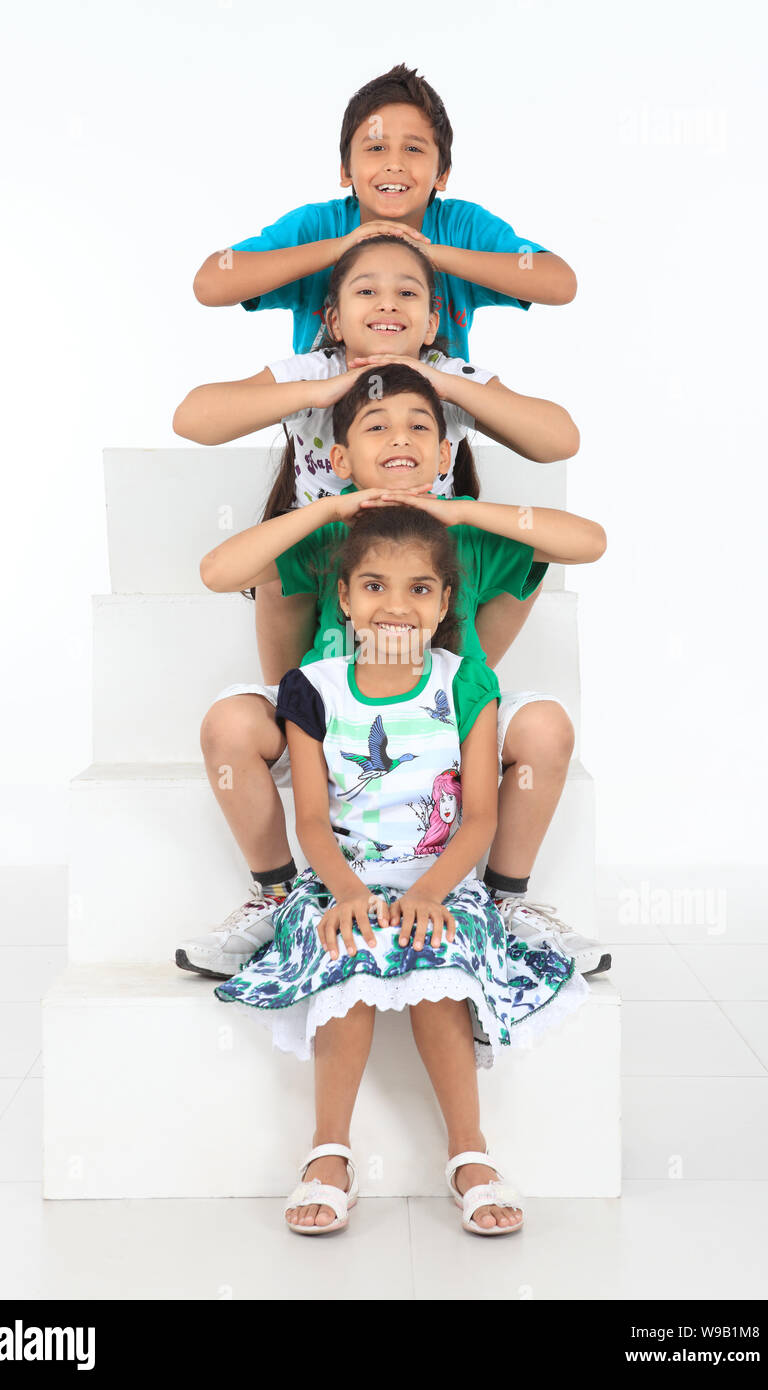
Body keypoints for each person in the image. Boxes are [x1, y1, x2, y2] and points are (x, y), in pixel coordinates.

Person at [214, 504, 591, 1235]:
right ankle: (328, 1152)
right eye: (376, 586)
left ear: (447, 603)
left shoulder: (465, 687)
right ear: (346, 599)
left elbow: (478, 816)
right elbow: (314, 820)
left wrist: (428, 891)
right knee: (350, 949)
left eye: (420, 589)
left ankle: (469, 1153)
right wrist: (348, 890)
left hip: (439, 877)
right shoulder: (313, 689)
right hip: (344, 877)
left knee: (437, 956)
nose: (396, 605)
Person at [175, 364, 608, 983]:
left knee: (546, 727)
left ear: (443, 453)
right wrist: (331, 511)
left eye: (419, 427)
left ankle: (507, 902)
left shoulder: (468, 533)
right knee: (229, 723)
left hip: (448, 721)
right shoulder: (329, 534)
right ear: (343, 459)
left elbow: (589, 541)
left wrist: (462, 514)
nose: (401, 438)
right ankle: (278, 898)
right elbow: (218, 570)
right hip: (335, 725)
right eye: (377, 426)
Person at [174, 233, 579, 682]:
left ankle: (464, 688)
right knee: (277, 568)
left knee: (519, 562)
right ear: (334, 320)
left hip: (419, 541)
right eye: (367, 291)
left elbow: (560, 440)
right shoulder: (317, 371)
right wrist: (321, 392)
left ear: (430, 324)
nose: (387, 305)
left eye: (407, 293)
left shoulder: (447, 374)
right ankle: (288, 703)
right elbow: (193, 419)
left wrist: (438, 382)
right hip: (328, 539)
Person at [191, 63, 576, 361]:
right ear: (346, 171)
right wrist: (338, 249)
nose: (394, 164)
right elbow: (211, 283)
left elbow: (559, 283)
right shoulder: (317, 226)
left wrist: (430, 254)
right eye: (375, 149)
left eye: (413, 149)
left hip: (425, 447)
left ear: (441, 173)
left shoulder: (462, 227)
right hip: (327, 444)